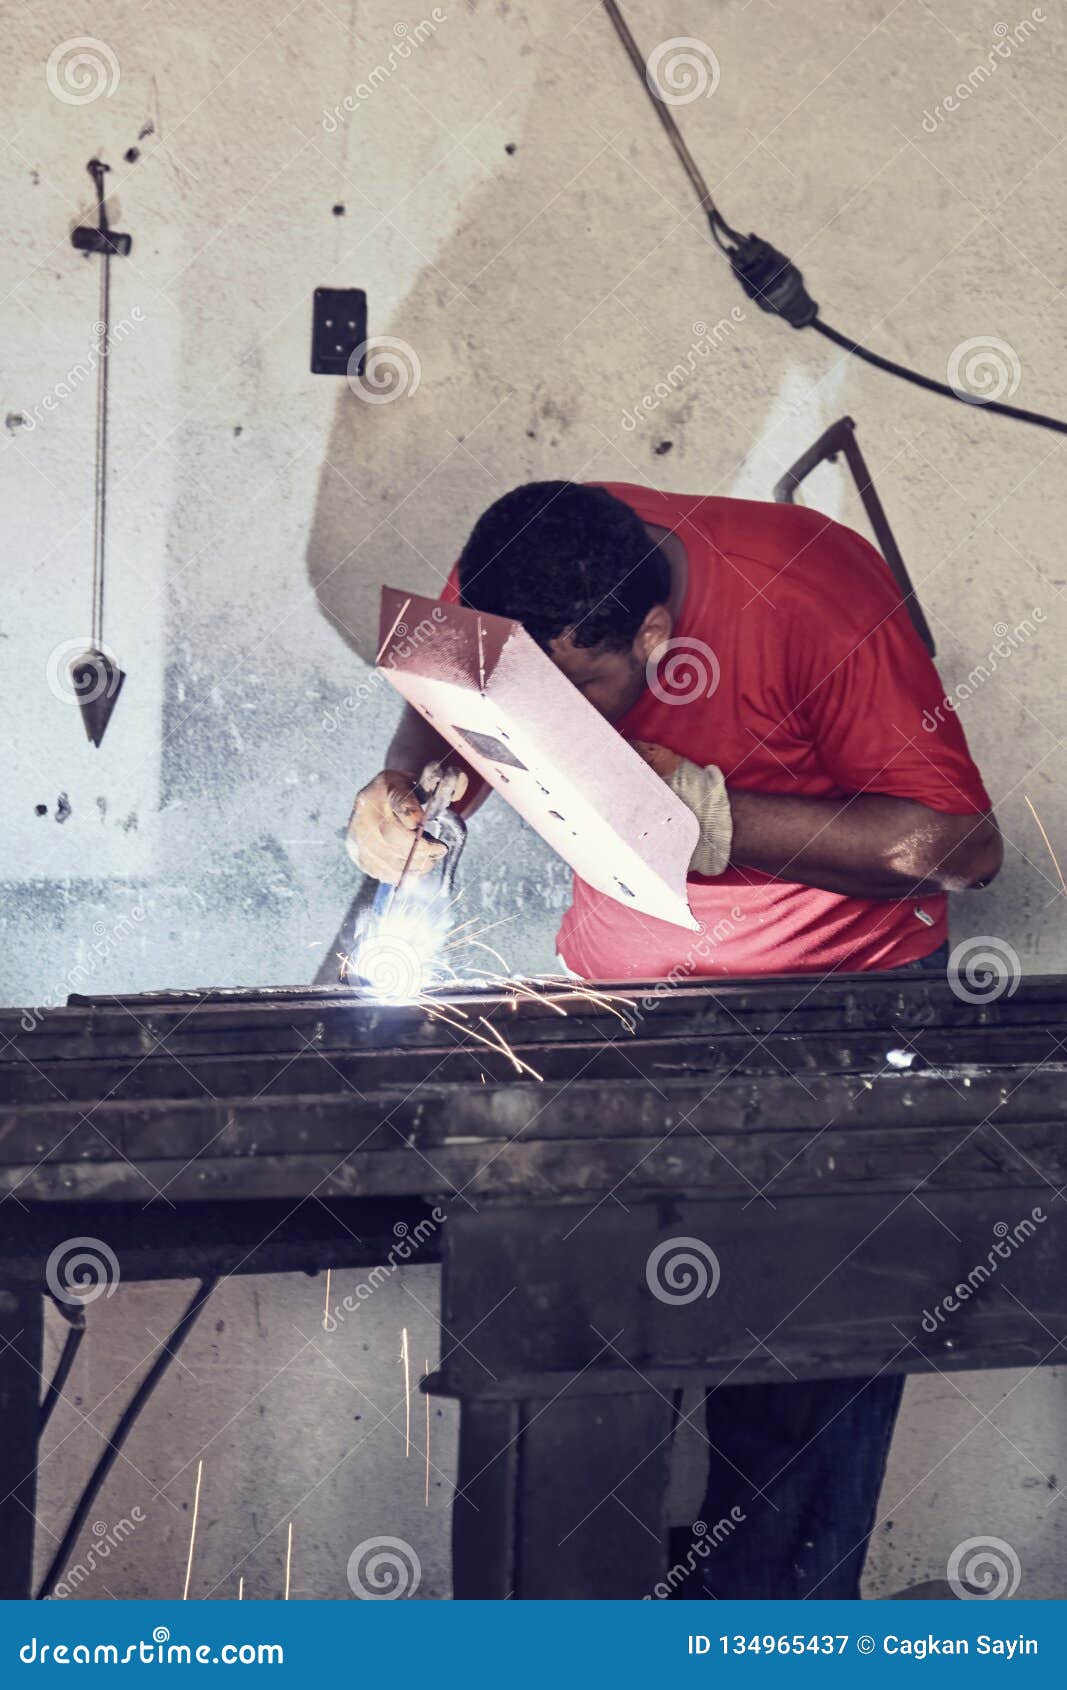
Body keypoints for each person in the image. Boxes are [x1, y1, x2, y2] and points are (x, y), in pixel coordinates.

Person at [347, 479, 1001, 1598]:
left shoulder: (811, 591)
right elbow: (454, 678)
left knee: (795, 1405)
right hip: (620, 1005)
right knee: (576, 1357)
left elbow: (960, 847)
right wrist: (410, 781)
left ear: (652, 634)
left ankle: (772, 1637)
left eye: (584, 691)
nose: (567, 725)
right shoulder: (521, 564)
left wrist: (723, 820)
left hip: (832, 1011)